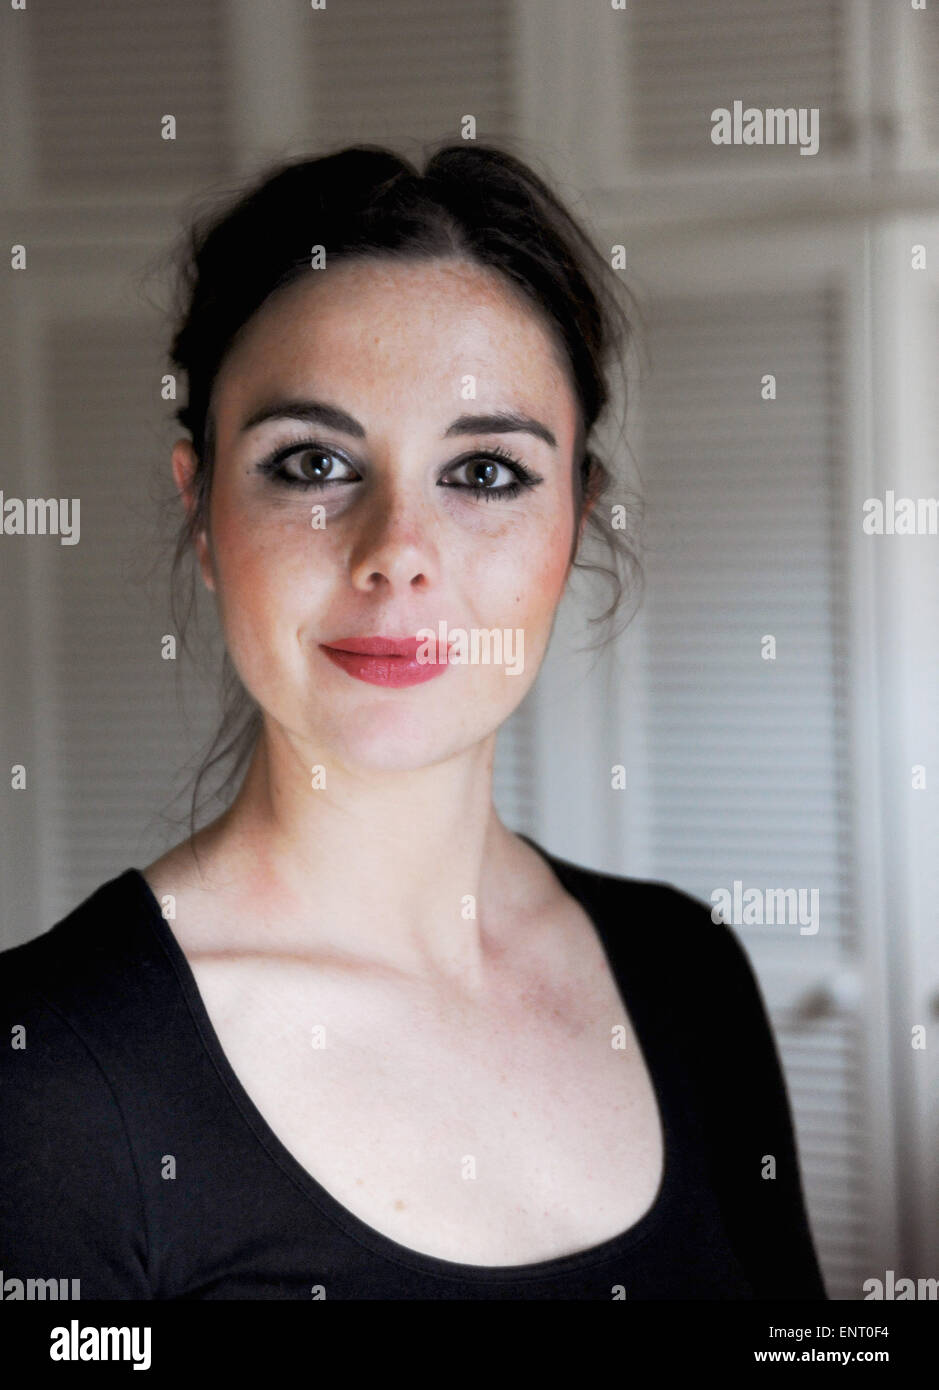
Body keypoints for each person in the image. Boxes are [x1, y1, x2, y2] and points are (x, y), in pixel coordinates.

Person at [0, 142, 827, 1299]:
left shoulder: (690, 974)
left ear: (578, 517)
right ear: (202, 510)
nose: (397, 554)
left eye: (485, 473)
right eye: (311, 462)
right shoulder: (48, 1076)